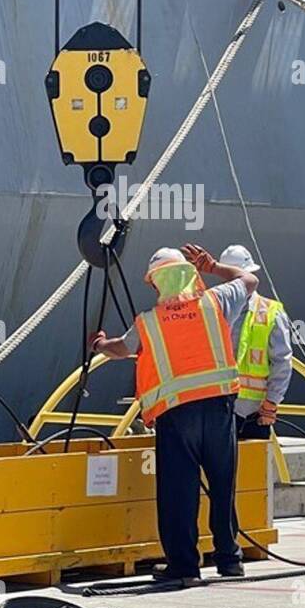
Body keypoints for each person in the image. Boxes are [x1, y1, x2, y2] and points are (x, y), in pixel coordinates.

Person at [91, 245, 257, 581]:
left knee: (179, 492)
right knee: (223, 484)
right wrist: (213, 266)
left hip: (176, 414)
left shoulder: (148, 322)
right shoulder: (217, 301)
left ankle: (184, 567)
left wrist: (99, 344)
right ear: (191, 274)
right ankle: (229, 559)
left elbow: (121, 349)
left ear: (155, 284)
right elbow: (249, 279)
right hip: (220, 407)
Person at [208, 244, 293, 441]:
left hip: (254, 415)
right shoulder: (212, 306)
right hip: (218, 409)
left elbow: (282, 361)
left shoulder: (270, 311)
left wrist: (271, 403)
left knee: (253, 469)